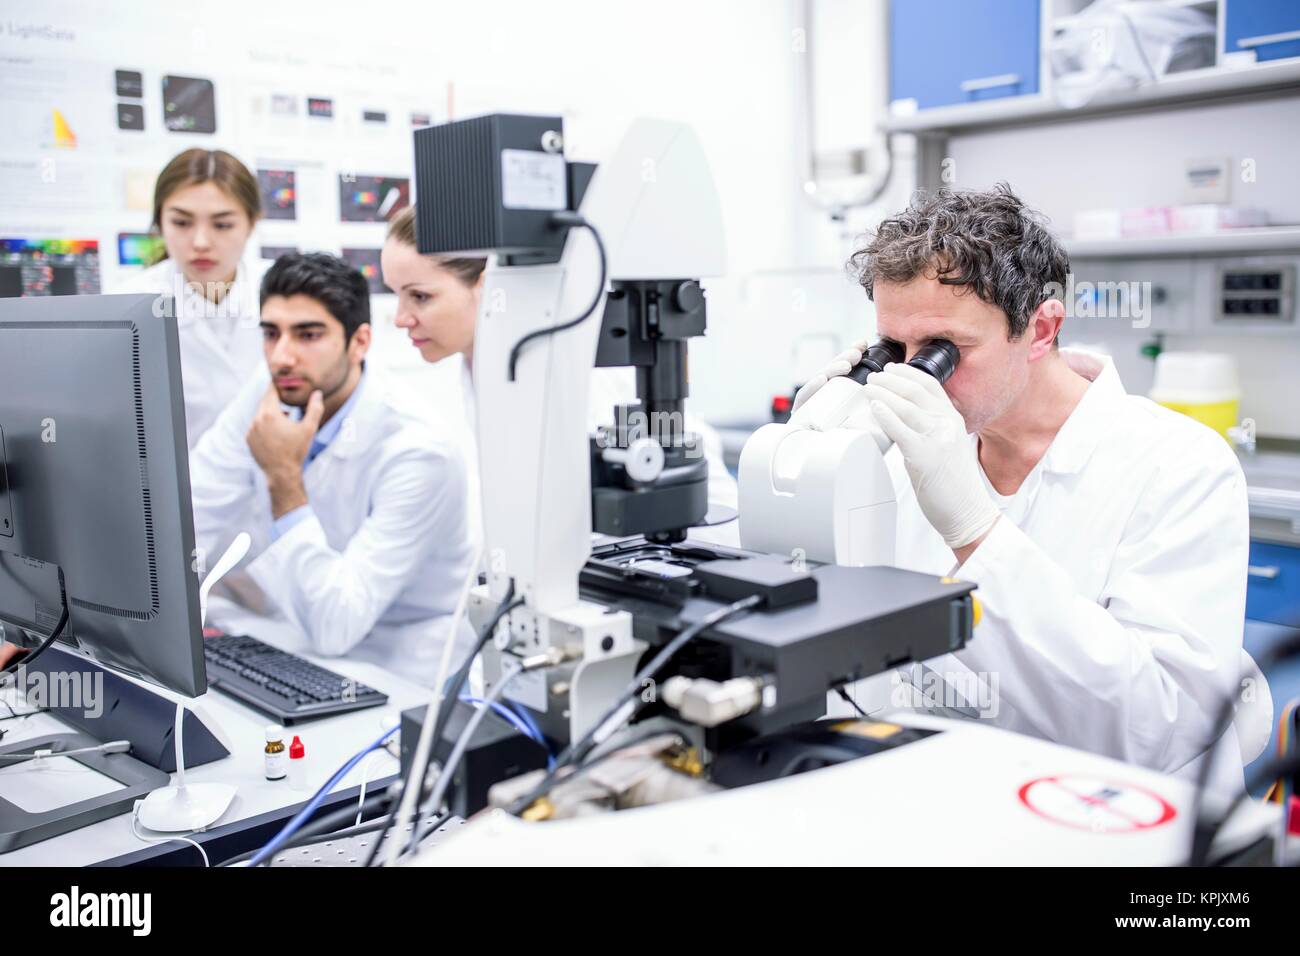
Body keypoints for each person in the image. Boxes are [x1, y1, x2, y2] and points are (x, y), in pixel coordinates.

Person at [795, 184, 1269, 794]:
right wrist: (814, 464)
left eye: (945, 351)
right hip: (953, 796)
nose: (914, 378)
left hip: (1110, 822)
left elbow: (1159, 725)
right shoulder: (896, 459)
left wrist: (976, 532)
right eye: (895, 348)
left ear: (1042, 328)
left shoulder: (1180, 466)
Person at [188, 252, 474, 684]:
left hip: (403, 668)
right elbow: (190, 513)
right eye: (271, 333)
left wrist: (283, 477)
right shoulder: (273, 390)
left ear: (359, 342)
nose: (281, 357)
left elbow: (336, 624)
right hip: (302, 642)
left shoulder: (420, 451)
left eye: (308, 334)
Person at [378, 205, 739, 542]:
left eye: (420, 297)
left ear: (487, 285)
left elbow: (689, 498)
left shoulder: (581, 373)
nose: (400, 318)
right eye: (396, 295)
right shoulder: (449, 383)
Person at [120, 148, 267, 448]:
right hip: (180, 493)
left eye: (222, 224)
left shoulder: (287, 293)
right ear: (160, 222)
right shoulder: (126, 310)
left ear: (251, 223)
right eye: (182, 223)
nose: (200, 242)